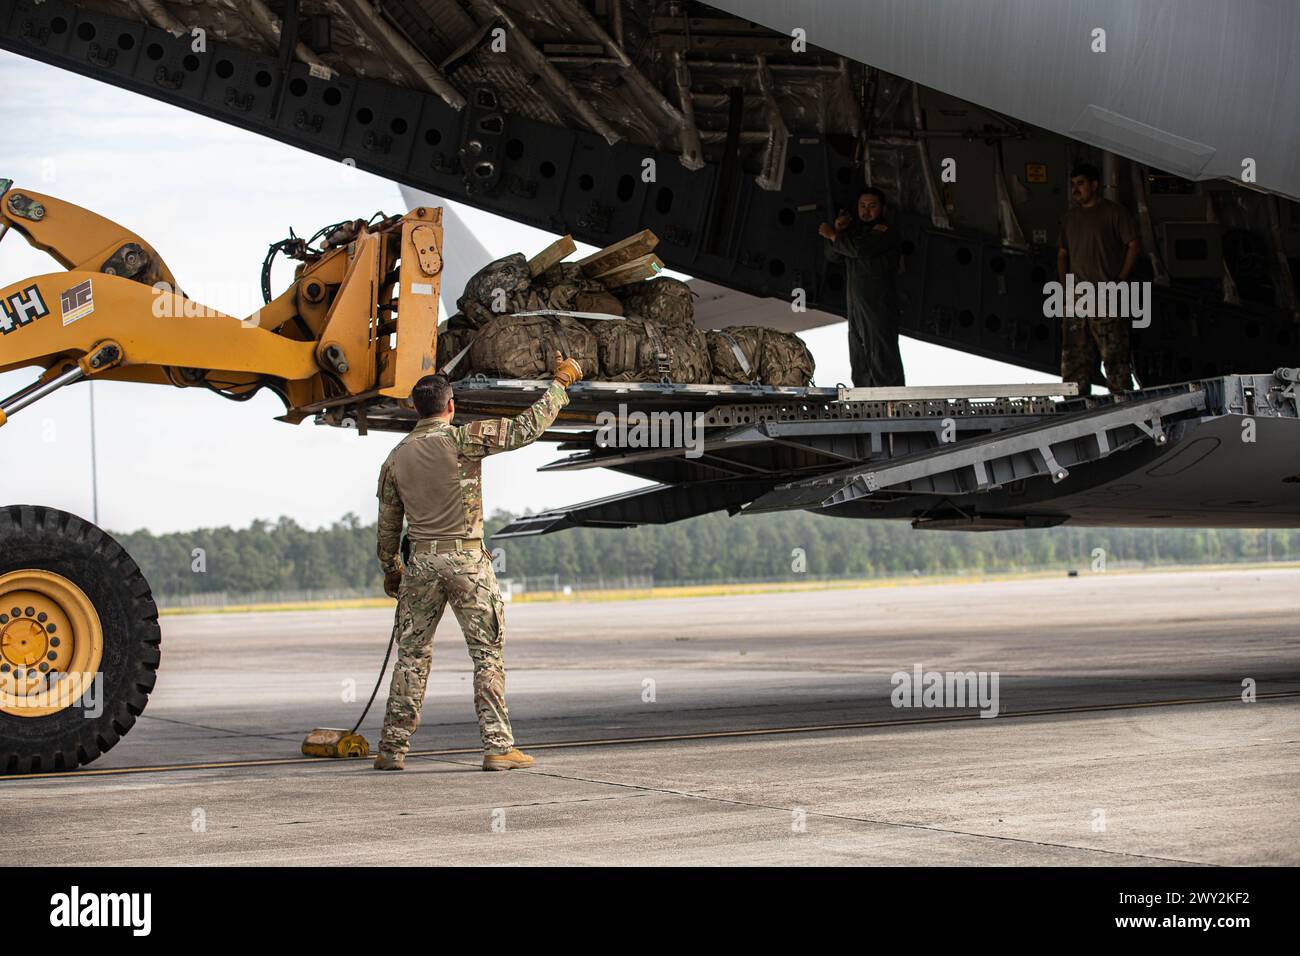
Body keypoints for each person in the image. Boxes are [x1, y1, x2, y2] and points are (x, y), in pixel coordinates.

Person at [373, 353, 584, 771]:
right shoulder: (461, 439)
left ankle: (392, 749)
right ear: (450, 407)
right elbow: (526, 428)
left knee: (412, 656)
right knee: (486, 653)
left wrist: (392, 570)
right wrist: (561, 382)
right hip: (467, 560)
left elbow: (387, 527)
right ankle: (497, 746)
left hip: (422, 564)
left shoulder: (395, 459)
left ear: (418, 409)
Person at [1057, 162, 1141, 394]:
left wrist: (1120, 279)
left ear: (1095, 185)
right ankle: (1074, 406)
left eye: (1081, 184)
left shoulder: (1114, 213)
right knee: (1074, 357)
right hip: (1077, 297)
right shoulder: (1070, 218)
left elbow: (1133, 245)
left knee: (1115, 357)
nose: (1076, 189)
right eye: (1073, 185)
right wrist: (1066, 286)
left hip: (1107, 295)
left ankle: (1122, 404)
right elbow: (1062, 254)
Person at [819, 187, 906, 387]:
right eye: (862, 206)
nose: (866, 211)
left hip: (878, 304)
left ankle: (891, 399)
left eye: (872, 206)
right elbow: (833, 256)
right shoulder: (854, 234)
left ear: (882, 209)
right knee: (859, 351)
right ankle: (864, 396)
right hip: (857, 305)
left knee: (880, 351)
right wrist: (838, 231)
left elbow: (861, 249)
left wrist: (833, 235)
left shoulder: (884, 232)